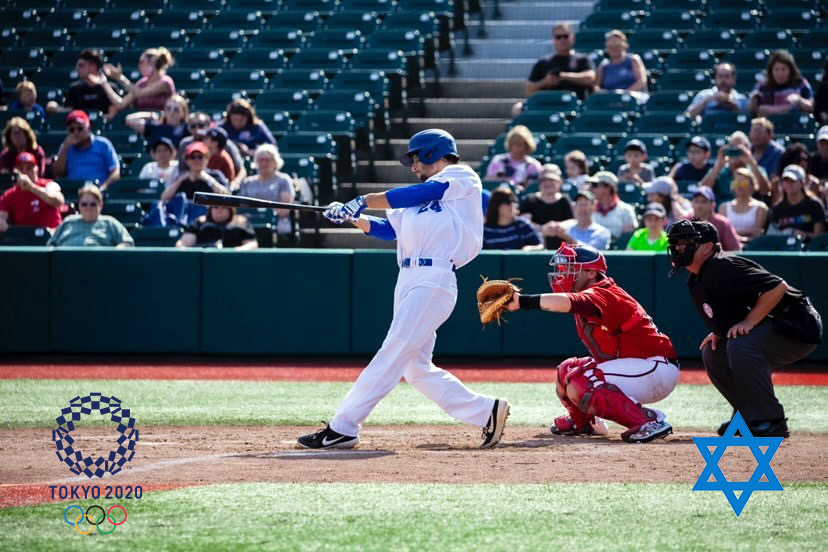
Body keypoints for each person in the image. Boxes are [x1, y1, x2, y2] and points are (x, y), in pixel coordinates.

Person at [297, 129, 510, 450]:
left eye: (415, 157)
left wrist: (362, 201)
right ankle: (486, 411)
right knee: (415, 367)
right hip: (408, 278)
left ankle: (343, 426)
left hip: (435, 276)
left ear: (431, 153)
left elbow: (419, 194)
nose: (412, 164)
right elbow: (388, 230)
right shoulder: (415, 196)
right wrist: (352, 217)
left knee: (394, 348)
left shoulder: (461, 177)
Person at [504, 243, 678, 443]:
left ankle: (649, 420)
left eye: (571, 268)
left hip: (655, 367)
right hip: (637, 364)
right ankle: (584, 423)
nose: (563, 273)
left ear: (591, 273)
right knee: (566, 370)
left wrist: (523, 301)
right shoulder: (593, 291)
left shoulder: (604, 293)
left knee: (582, 379)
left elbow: (570, 302)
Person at [666, 219, 822, 437]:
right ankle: (747, 416)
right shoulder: (699, 276)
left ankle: (771, 420)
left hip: (797, 325)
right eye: (677, 243)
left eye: (686, 242)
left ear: (708, 247)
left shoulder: (721, 266)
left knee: (741, 345)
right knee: (713, 353)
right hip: (774, 324)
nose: (679, 247)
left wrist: (750, 321)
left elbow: (777, 286)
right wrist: (720, 331)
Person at [517, 22, 596, 115]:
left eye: (565, 36)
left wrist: (564, 76)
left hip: (575, 109)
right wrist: (546, 81)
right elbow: (528, 90)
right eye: (558, 37)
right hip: (546, 107)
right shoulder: (543, 62)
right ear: (553, 40)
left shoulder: (582, 59)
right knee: (517, 108)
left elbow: (590, 78)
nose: (562, 39)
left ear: (573, 37)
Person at [52, 110, 120, 191]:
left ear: (89, 128)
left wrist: (103, 188)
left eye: (80, 128)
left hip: (97, 194)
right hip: (73, 192)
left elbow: (115, 172)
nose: (76, 132)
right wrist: (65, 148)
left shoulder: (103, 144)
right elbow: (57, 174)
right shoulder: (65, 147)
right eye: (72, 130)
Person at [178, 112, 247, 190]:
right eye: (193, 126)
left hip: (219, 185)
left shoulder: (224, 144)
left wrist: (235, 183)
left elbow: (241, 170)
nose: (197, 129)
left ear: (208, 126)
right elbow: (182, 171)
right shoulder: (186, 144)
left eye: (201, 125)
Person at [47, 185, 133, 247]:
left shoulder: (109, 223)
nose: (88, 207)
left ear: (100, 205)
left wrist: (114, 253)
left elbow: (128, 242)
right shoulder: (68, 221)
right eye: (84, 204)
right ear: (79, 206)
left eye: (93, 204)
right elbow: (51, 245)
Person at [698, 131, 770, 203]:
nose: (735, 151)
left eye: (739, 149)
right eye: (732, 147)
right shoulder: (720, 171)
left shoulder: (756, 169)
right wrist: (717, 167)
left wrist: (751, 162)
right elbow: (702, 191)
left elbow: (765, 191)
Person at [238, 144, 295, 234]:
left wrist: (265, 214)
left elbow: (285, 209)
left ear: (275, 162)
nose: (264, 163)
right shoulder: (247, 182)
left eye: (267, 160)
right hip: (250, 221)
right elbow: (241, 207)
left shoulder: (284, 180)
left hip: (277, 220)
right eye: (261, 160)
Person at [0, 152, 63, 232]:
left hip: (52, 237)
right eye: (21, 169)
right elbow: (2, 215)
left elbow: (58, 201)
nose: (25, 172)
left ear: (36, 170)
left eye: (29, 168)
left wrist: (31, 187)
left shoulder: (49, 184)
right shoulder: (9, 195)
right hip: (25, 240)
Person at [103, 47, 176, 115]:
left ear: (153, 63)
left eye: (142, 62)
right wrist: (104, 83)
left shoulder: (165, 82)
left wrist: (120, 78)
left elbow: (139, 93)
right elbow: (121, 104)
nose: (139, 66)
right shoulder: (141, 84)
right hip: (142, 125)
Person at [46, 49, 118, 115]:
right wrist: (56, 108)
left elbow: (110, 115)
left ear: (93, 66)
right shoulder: (75, 89)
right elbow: (70, 111)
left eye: (81, 66)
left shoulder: (110, 88)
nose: (77, 69)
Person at [519, 163, 573, 249]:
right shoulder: (530, 200)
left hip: (562, 243)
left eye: (551, 180)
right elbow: (524, 222)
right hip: (535, 243)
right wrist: (543, 228)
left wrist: (556, 227)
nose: (547, 183)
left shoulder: (565, 200)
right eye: (544, 180)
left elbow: (572, 221)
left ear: (559, 182)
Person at [748, 50, 814, 117]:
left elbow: (812, 107)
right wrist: (753, 100)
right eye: (776, 69)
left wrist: (799, 100)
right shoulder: (761, 85)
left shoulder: (800, 83)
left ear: (791, 70)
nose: (780, 73)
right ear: (771, 71)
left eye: (784, 69)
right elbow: (752, 111)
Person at [768, 165, 825, 242]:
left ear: (802, 183)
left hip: (807, 249)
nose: (789, 184)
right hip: (784, 250)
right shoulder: (777, 208)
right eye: (786, 180)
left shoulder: (814, 205)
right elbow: (771, 235)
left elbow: (819, 237)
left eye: (793, 181)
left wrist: (802, 235)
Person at [543, 189, 611, 250]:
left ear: (594, 207)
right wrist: (549, 229)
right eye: (580, 205)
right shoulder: (567, 226)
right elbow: (547, 229)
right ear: (574, 207)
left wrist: (568, 239)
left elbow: (591, 255)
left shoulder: (602, 232)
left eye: (586, 204)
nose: (582, 209)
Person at [161, 141, 229, 201]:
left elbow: (226, 195)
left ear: (207, 158)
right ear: (187, 160)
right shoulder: (182, 178)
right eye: (192, 157)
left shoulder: (216, 175)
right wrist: (180, 180)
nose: (196, 160)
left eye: (200, 157)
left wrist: (208, 179)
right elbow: (164, 197)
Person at [595, 30, 648, 102]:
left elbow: (641, 81)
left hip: (633, 97)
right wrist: (609, 95)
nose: (614, 48)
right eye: (611, 46)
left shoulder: (634, 60)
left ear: (625, 45)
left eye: (617, 46)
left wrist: (624, 94)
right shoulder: (604, 65)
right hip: (611, 100)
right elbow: (597, 87)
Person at [718, 168, 768, 242]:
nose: (739, 186)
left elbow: (758, 234)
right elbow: (722, 233)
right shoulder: (723, 207)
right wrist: (749, 231)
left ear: (752, 185)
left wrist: (732, 234)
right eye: (736, 183)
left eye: (743, 183)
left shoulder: (760, 208)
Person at [484, 125, 542, 190]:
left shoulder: (533, 165)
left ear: (527, 146)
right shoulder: (498, 160)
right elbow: (488, 180)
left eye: (520, 145)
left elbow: (534, 187)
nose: (517, 148)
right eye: (515, 144)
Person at [176, 204, 258, 250]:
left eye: (224, 207)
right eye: (216, 207)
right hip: (204, 260)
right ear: (210, 209)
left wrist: (237, 251)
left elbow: (252, 244)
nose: (220, 210)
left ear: (231, 209)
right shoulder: (200, 222)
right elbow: (183, 244)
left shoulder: (241, 222)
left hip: (233, 261)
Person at [125, 94, 190, 148]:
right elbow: (129, 120)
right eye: (168, 108)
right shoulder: (156, 127)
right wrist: (150, 114)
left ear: (183, 113)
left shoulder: (187, 129)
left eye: (176, 109)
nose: (171, 112)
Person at [588, 171, 637, 240]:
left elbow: (628, 237)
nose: (591, 189)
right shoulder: (589, 209)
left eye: (595, 185)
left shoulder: (626, 210)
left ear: (608, 188)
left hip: (618, 250)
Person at [691, 187, 742, 251]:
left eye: (704, 202)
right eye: (696, 201)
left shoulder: (723, 223)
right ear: (692, 203)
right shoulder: (684, 221)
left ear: (713, 205)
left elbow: (735, 249)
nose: (699, 205)